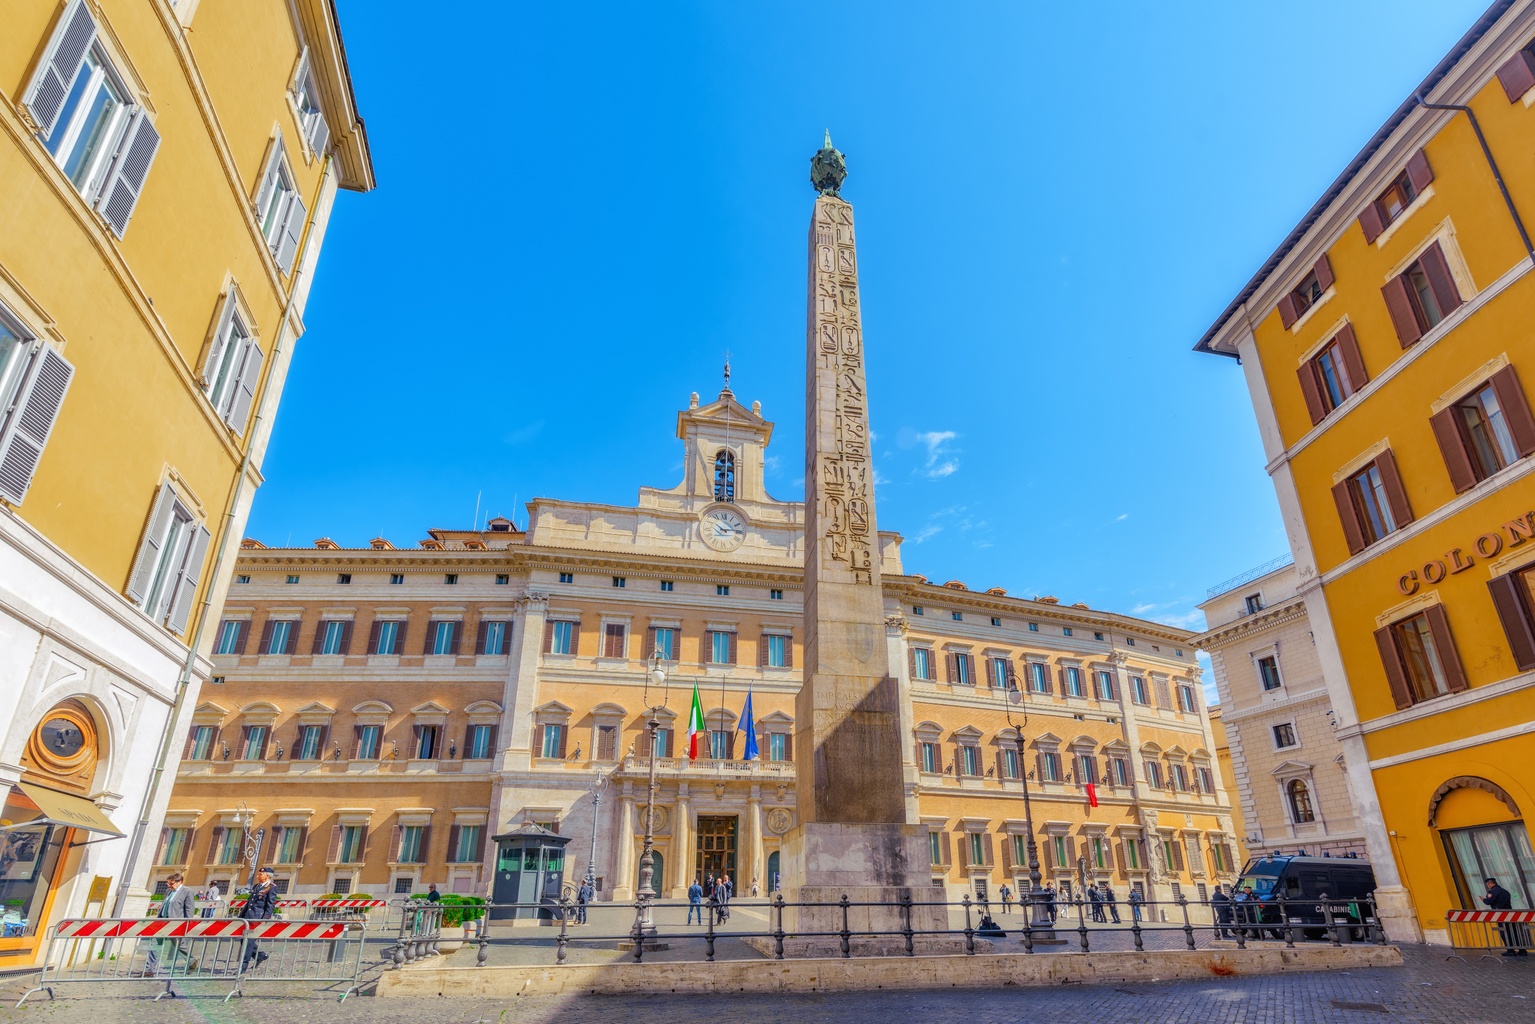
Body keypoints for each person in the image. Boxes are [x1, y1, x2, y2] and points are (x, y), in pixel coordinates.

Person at [143, 873, 197, 976]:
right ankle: (150, 969)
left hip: (175, 924)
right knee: (154, 944)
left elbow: (189, 909)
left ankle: (191, 961)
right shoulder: (168, 891)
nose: (168, 885)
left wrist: (186, 924)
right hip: (162, 922)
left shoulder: (187, 891)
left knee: (179, 945)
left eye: (171, 883)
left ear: (179, 882)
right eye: (168, 883)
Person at [239, 867, 280, 971]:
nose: (258, 876)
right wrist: (241, 916)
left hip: (257, 918)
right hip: (248, 916)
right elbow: (249, 902)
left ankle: (243, 967)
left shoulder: (272, 887)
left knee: (249, 942)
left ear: (267, 876)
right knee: (242, 939)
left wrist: (264, 919)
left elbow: (270, 905)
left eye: (260, 874)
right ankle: (260, 955)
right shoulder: (257, 886)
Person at [1483, 877, 1526, 957]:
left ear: (1491, 884)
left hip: (1500, 915)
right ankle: (1522, 950)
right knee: (1514, 931)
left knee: (1504, 932)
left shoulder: (1492, 892)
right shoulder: (1505, 891)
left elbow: (1488, 901)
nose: (1488, 886)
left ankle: (1510, 950)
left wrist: (1483, 900)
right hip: (1509, 913)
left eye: (1487, 885)